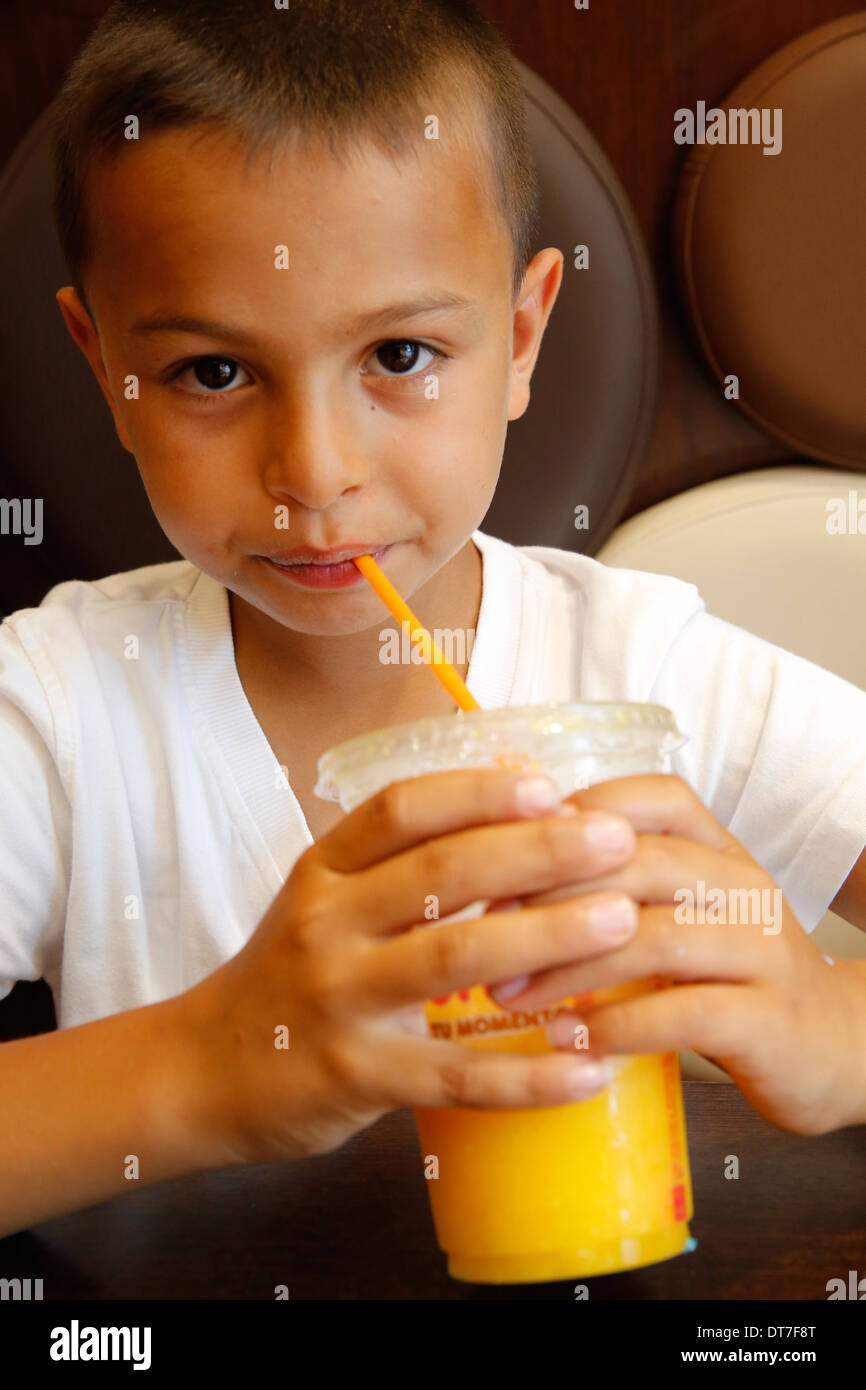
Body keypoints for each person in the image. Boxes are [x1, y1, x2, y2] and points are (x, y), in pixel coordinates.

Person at [1, 0, 865, 1241]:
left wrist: (835, 1029)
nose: (315, 469)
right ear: (108, 374)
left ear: (518, 338)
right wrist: (210, 1066)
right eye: (211, 372)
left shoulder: (647, 675)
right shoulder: (57, 705)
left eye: (400, 354)